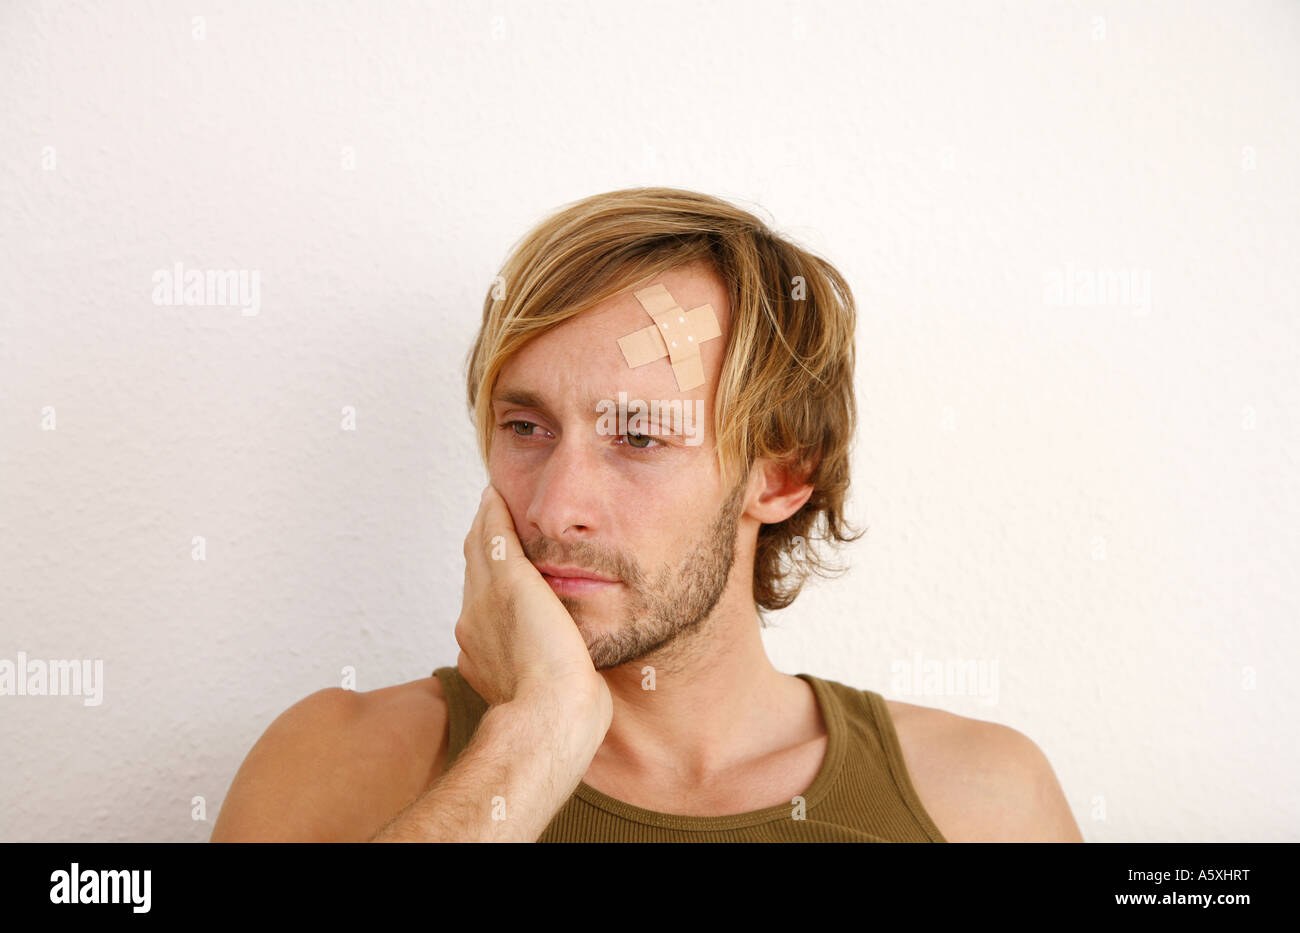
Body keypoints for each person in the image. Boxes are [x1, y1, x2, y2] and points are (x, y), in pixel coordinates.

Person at [210, 187, 1083, 842]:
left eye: (638, 435)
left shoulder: (980, 800)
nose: (555, 507)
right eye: (526, 426)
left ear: (780, 476)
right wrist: (536, 735)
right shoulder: (339, 763)